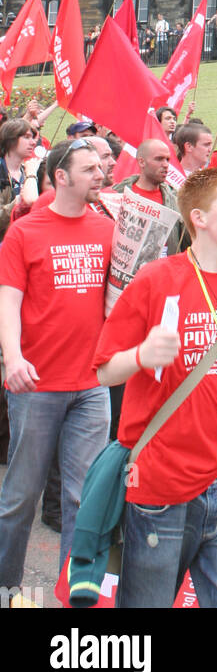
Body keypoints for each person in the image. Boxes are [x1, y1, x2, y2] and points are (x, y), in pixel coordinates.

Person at [93, 167, 217, 607]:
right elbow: (103, 370)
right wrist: (141, 356)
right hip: (163, 486)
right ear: (200, 218)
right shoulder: (157, 279)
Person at [0, 138, 112, 589]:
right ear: (61, 176)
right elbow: (8, 301)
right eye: (89, 169)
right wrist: (12, 358)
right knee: (21, 497)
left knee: (82, 497)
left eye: (99, 167)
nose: (100, 174)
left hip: (92, 383)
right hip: (36, 385)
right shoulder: (25, 231)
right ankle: (7, 585)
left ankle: (73, 594)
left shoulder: (107, 229)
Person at [0, 119, 40, 216]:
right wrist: (18, 201)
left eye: (33, 137)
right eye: (27, 137)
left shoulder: (29, 170)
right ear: (10, 140)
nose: (33, 142)